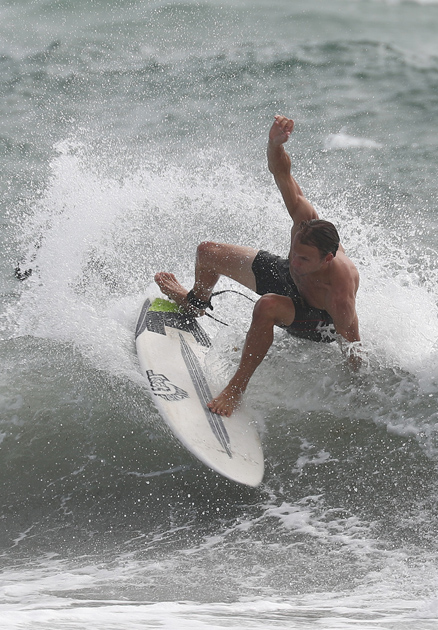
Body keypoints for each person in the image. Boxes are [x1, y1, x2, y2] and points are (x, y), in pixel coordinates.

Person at [154, 115, 361, 416]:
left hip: (317, 318)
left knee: (267, 306)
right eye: (294, 252)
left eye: (304, 258)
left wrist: (357, 387)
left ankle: (235, 389)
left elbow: (352, 344)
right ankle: (194, 303)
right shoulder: (304, 225)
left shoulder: (340, 293)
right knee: (208, 252)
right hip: (292, 283)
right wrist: (274, 143)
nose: (296, 261)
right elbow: (282, 172)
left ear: (327, 259)